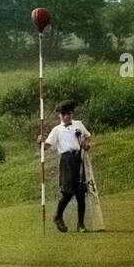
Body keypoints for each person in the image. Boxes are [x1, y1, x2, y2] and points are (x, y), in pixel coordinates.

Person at [41, 100, 92, 233]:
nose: (65, 117)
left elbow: (87, 137)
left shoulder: (78, 124)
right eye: (62, 114)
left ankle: (80, 224)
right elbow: (47, 146)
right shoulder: (56, 130)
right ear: (60, 116)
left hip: (79, 159)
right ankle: (58, 216)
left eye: (67, 114)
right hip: (66, 160)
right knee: (67, 193)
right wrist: (40, 142)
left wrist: (86, 144)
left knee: (81, 193)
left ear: (71, 114)